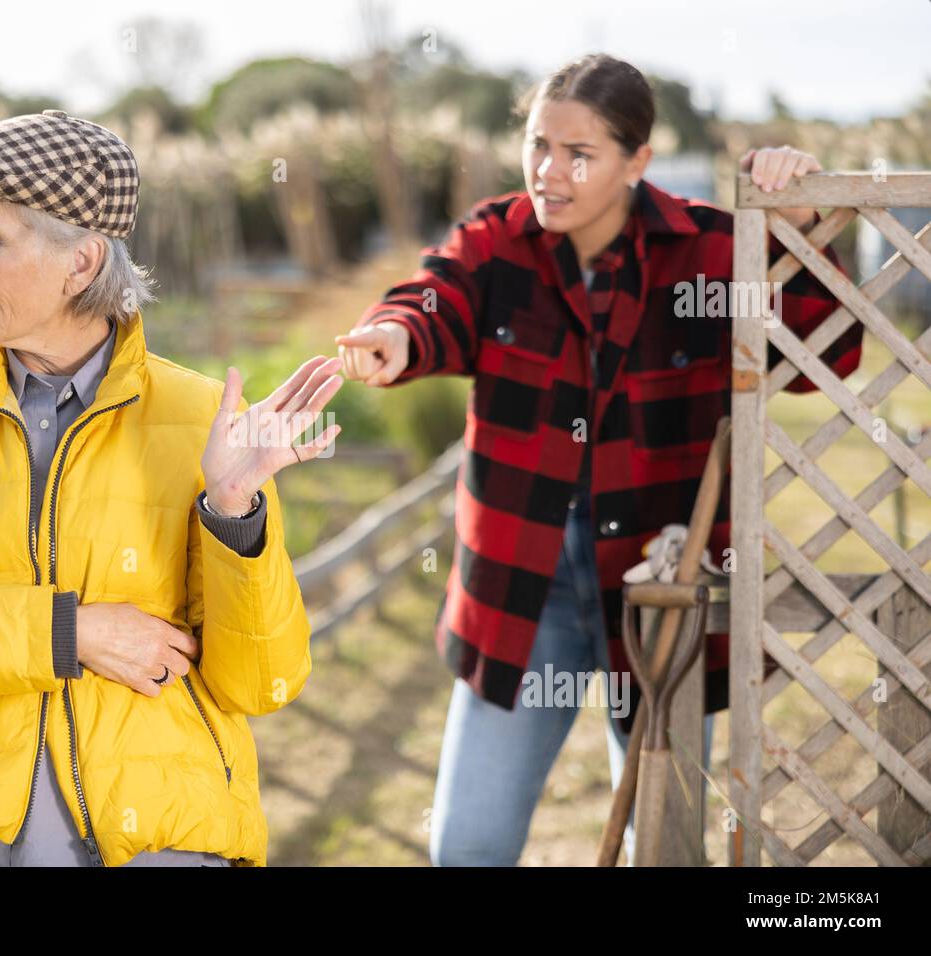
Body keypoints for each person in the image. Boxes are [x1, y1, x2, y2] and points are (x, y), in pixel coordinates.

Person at [336, 54, 863, 866]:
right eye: (538, 144)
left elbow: (830, 352)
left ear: (637, 161)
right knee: (465, 850)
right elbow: (434, 300)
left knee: (665, 850)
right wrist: (397, 336)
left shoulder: (709, 250)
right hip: (520, 590)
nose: (549, 171)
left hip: (660, 595)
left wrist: (801, 220)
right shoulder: (494, 242)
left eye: (579, 154)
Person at [0, 109, 342, 866]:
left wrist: (234, 512)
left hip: (153, 839)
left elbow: (263, 682)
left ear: (83, 263)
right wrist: (69, 634)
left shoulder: (201, 416)